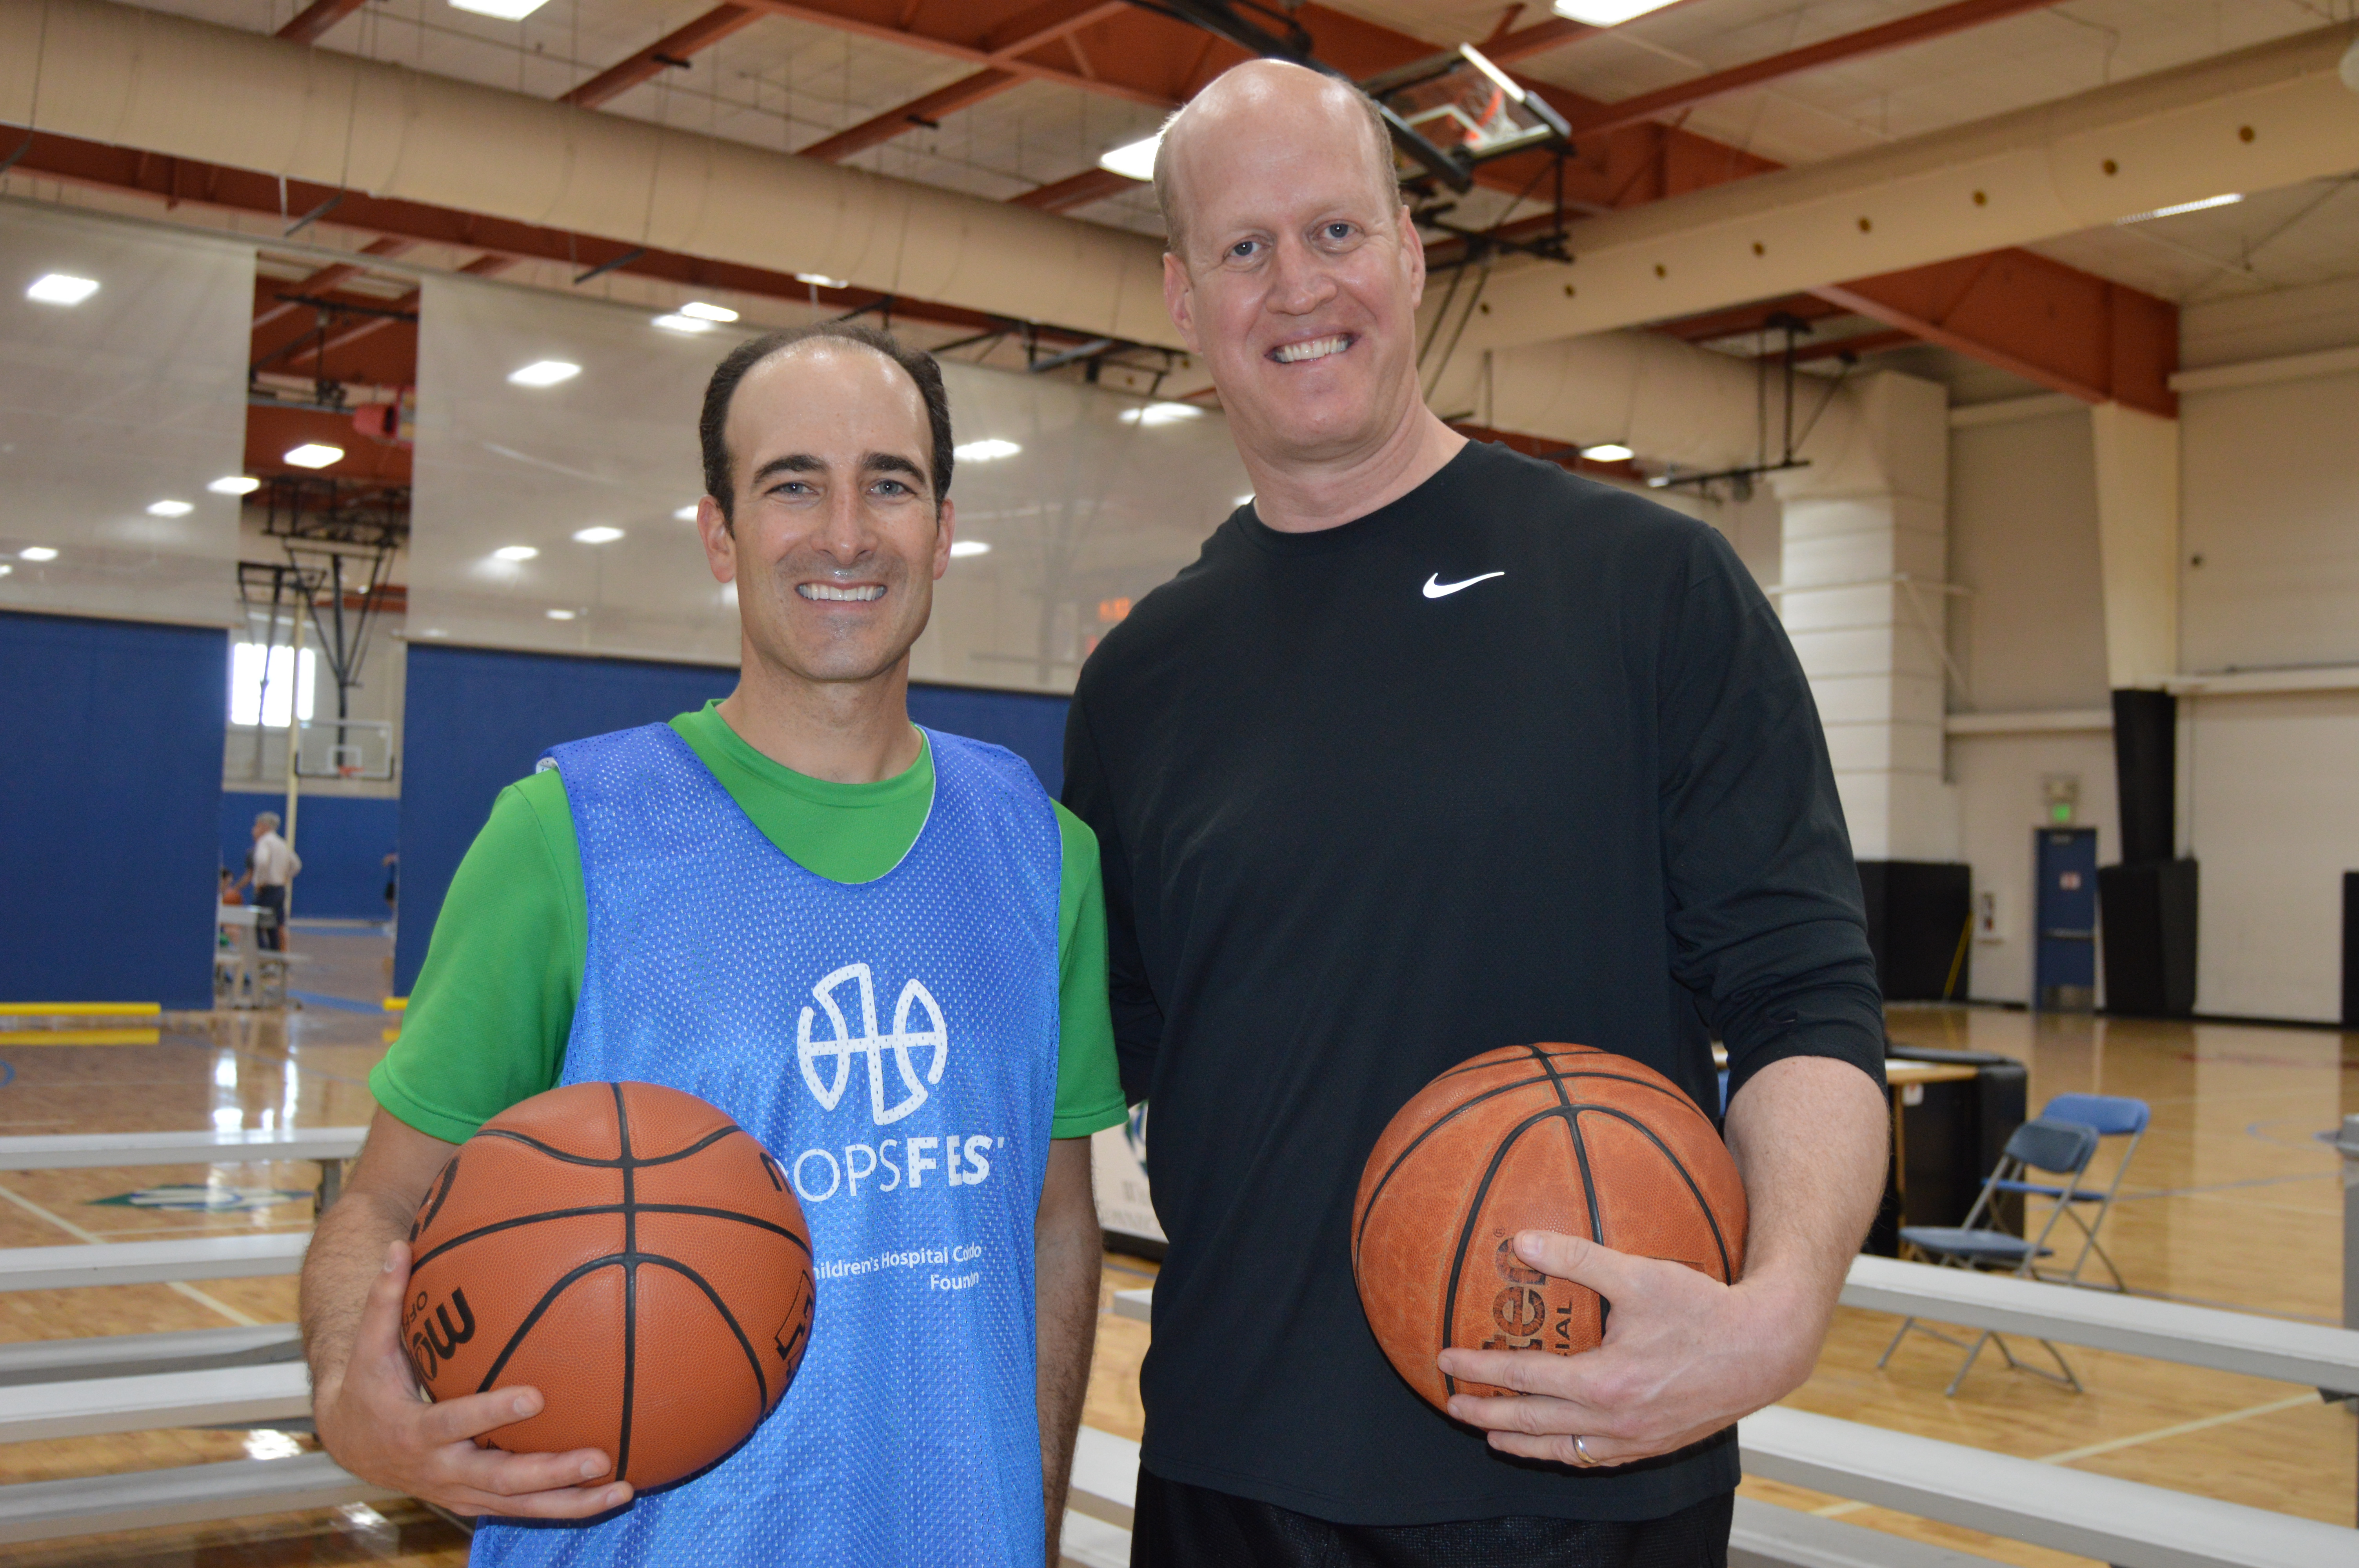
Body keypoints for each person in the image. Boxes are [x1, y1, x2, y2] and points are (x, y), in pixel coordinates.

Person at [1061, 62, 1890, 1565]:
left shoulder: (1647, 586)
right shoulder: (1138, 678)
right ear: (1181, 299)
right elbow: (1077, 1075)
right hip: (1229, 1470)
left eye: (1333, 231)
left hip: (1584, 1454)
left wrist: (1772, 1316)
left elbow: (1805, 1001)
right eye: (1243, 249)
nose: (1296, 285)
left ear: (1410, 252)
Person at [299, 323, 1123, 1566]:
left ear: (942, 531)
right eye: (792, 483)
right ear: (719, 534)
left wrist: (1033, 1521)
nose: (844, 532)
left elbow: (1058, 1227)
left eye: (888, 483)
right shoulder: (564, 835)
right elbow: (380, 1199)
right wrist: (346, 1396)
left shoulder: (1044, 852)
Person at [243, 811, 300, 951]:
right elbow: (296, 864)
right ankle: (275, 956)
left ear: (263, 826)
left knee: (255, 922)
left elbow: (262, 862)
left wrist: (260, 881)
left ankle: (262, 953)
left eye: (257, 826)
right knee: (273, 924)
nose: (254, 829)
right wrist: (285, 877)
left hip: (267, 890)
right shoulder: (281, 843)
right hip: (280, 890)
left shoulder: (264, 842)